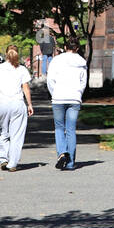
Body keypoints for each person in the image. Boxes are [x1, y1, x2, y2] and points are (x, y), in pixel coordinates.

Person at [0, 44, 32, 171]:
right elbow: (25, 88)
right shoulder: (22, 69)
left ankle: (3, 158)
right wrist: (29, 104)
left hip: (3, 104)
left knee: (4, 133)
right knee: (17, 135)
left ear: (6, 54)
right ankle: (12, 163)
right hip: (18, 104)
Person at [46, 38, 88, 171]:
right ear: (77, 48)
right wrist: (78, 93)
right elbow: (83, 82)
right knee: (71, 129)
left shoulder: (56, 60)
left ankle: (62, 152)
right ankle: (70, 163)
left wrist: (54, 93)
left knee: (59, 127)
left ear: (65, 47)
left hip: (59, 97)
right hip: (74, 98)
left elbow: (50, 80)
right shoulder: (82, 62)